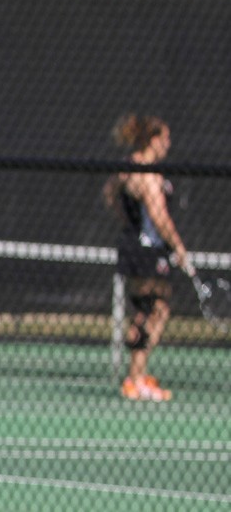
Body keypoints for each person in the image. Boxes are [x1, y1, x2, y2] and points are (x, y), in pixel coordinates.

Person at [103, 113, 193, 402]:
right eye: (164, 138)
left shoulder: (126, 169)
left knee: (146, 309)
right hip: (147, 249)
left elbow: (109, 194)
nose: (168, 143)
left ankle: (136, 376)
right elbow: (159, 216)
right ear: (152, 140)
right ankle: (136, 378)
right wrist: (178, 247)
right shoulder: (149, 173)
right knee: (156, 310)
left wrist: (128, 224)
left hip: (132, 245)